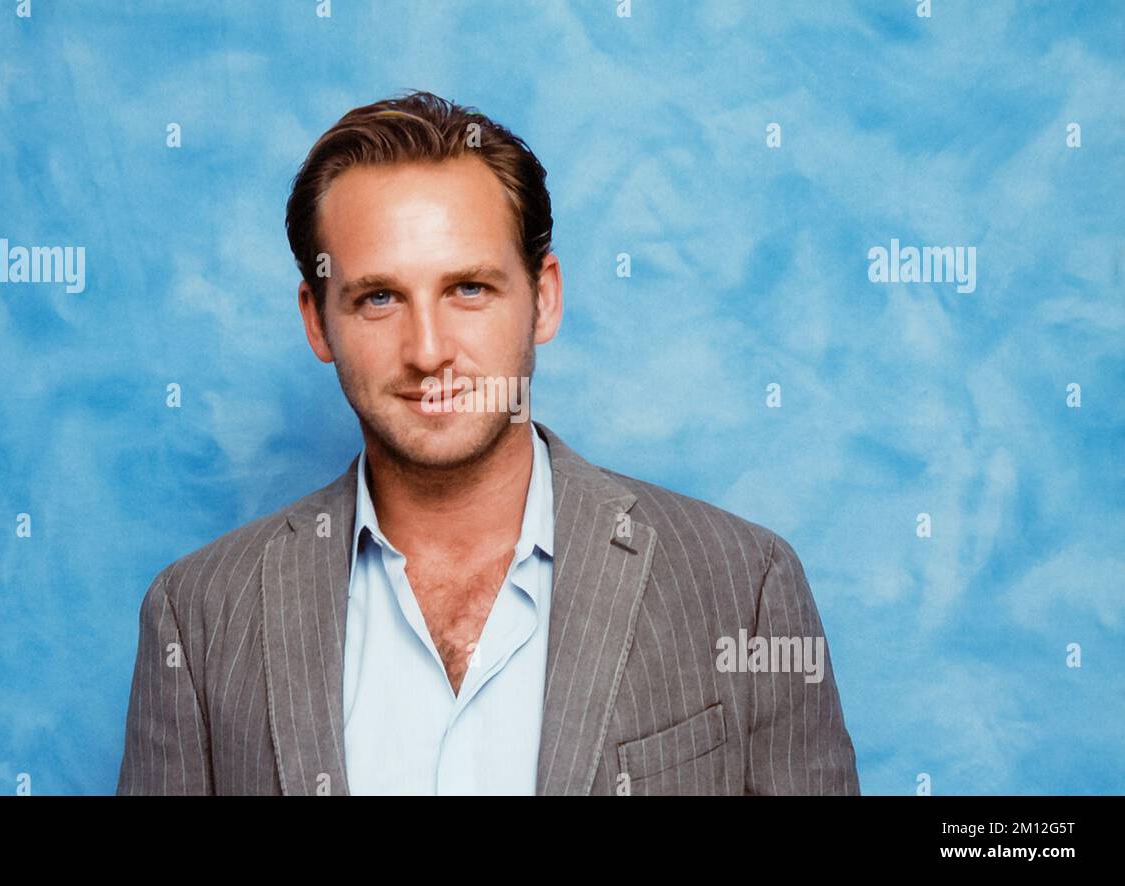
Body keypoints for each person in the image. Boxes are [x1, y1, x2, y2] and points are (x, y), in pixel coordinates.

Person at [115, 90, 859, 796]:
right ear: (317, 321)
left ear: (545, 298)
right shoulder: (199, 616)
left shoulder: (743, 586)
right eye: (379, 298)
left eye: (469, 288)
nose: (429, 349)